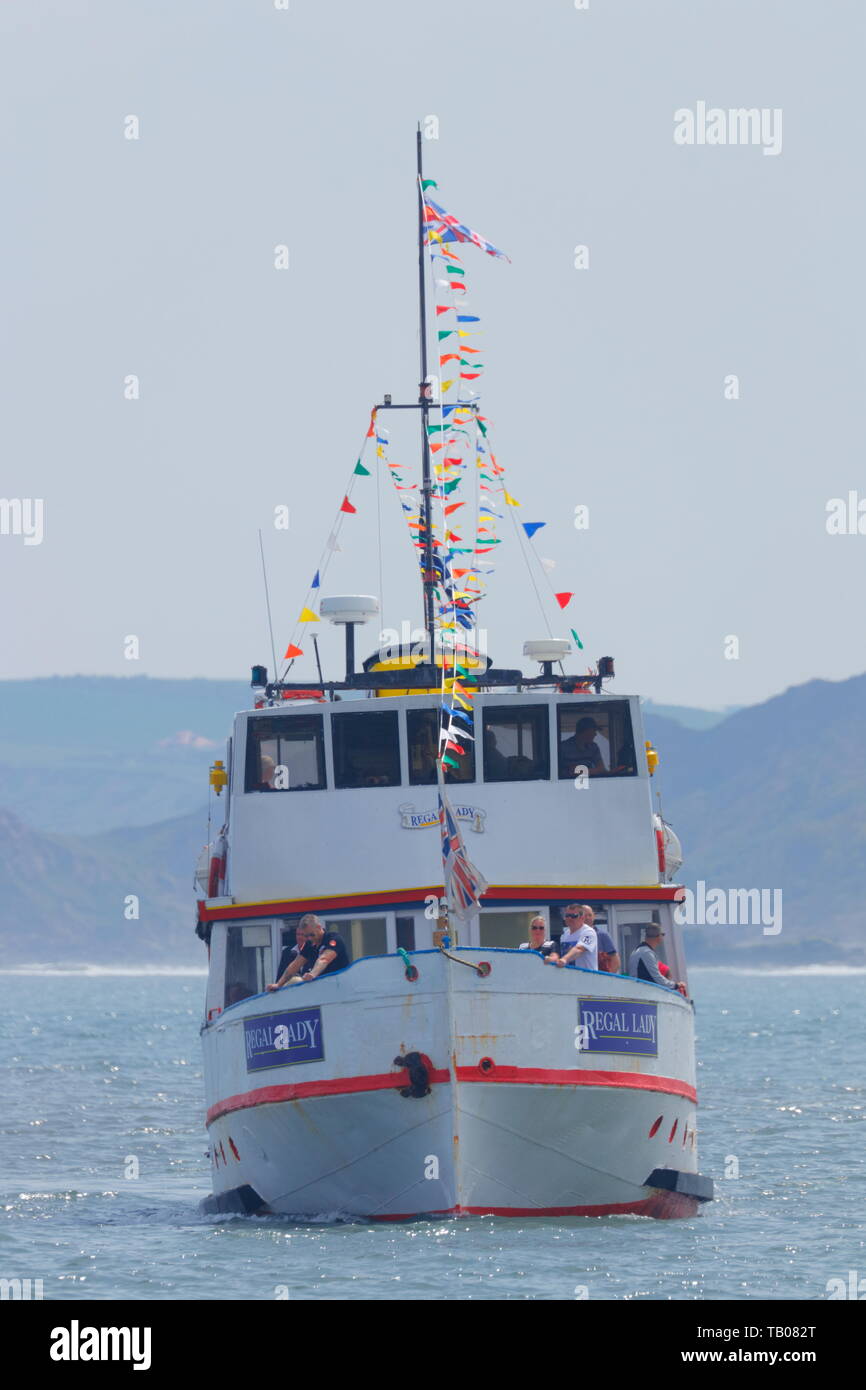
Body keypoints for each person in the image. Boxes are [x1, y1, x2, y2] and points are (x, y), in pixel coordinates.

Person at [266, 913, 351, 989]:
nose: (310, 938)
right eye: (306, 936)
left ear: (319, 927)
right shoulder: (309, 944)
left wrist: (313, 974)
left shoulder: (333, 939)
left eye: (311, 934)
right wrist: (278, 984)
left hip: (341, 986)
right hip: (325, 987)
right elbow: (296, 964)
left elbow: (324, 959)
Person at [627, 927, 686, 995]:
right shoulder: (646, 952)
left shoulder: (637, 951)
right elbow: (656, 978)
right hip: (643, 994)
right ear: (658, 936)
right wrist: (676, 985)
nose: (663, 937)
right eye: (663, 934)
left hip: (637, 992)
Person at [551, 905, 598, 971]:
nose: (570, 918)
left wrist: (565, 959)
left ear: (582, 918)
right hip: (570, 978)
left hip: (587, 978)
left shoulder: (589, 932)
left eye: (574, 916)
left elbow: (579, 949)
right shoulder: (564, 935)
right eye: (567, 915)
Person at [583, 906, 621, 973]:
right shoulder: (572, 935)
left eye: (590, 915)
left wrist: (607, 979)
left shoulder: (602, 935)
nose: (587, 918)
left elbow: (615, 960)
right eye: (584, 915)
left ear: (594, 916)